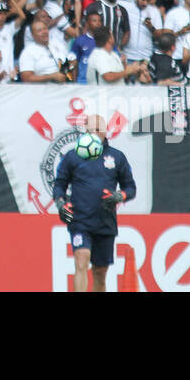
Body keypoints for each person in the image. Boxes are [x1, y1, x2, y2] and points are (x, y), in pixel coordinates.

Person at [52, 115, 136, 293]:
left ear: (105, 131)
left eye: (98, 129)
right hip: (80, 220)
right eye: (90, 130)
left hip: (105, 221)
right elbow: (60, 184)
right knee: (81, 260)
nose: (94, 134)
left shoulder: (117, 157)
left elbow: (130, 187)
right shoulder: (73, 156)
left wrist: (119, 196)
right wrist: (60, 203)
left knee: (100, 273)